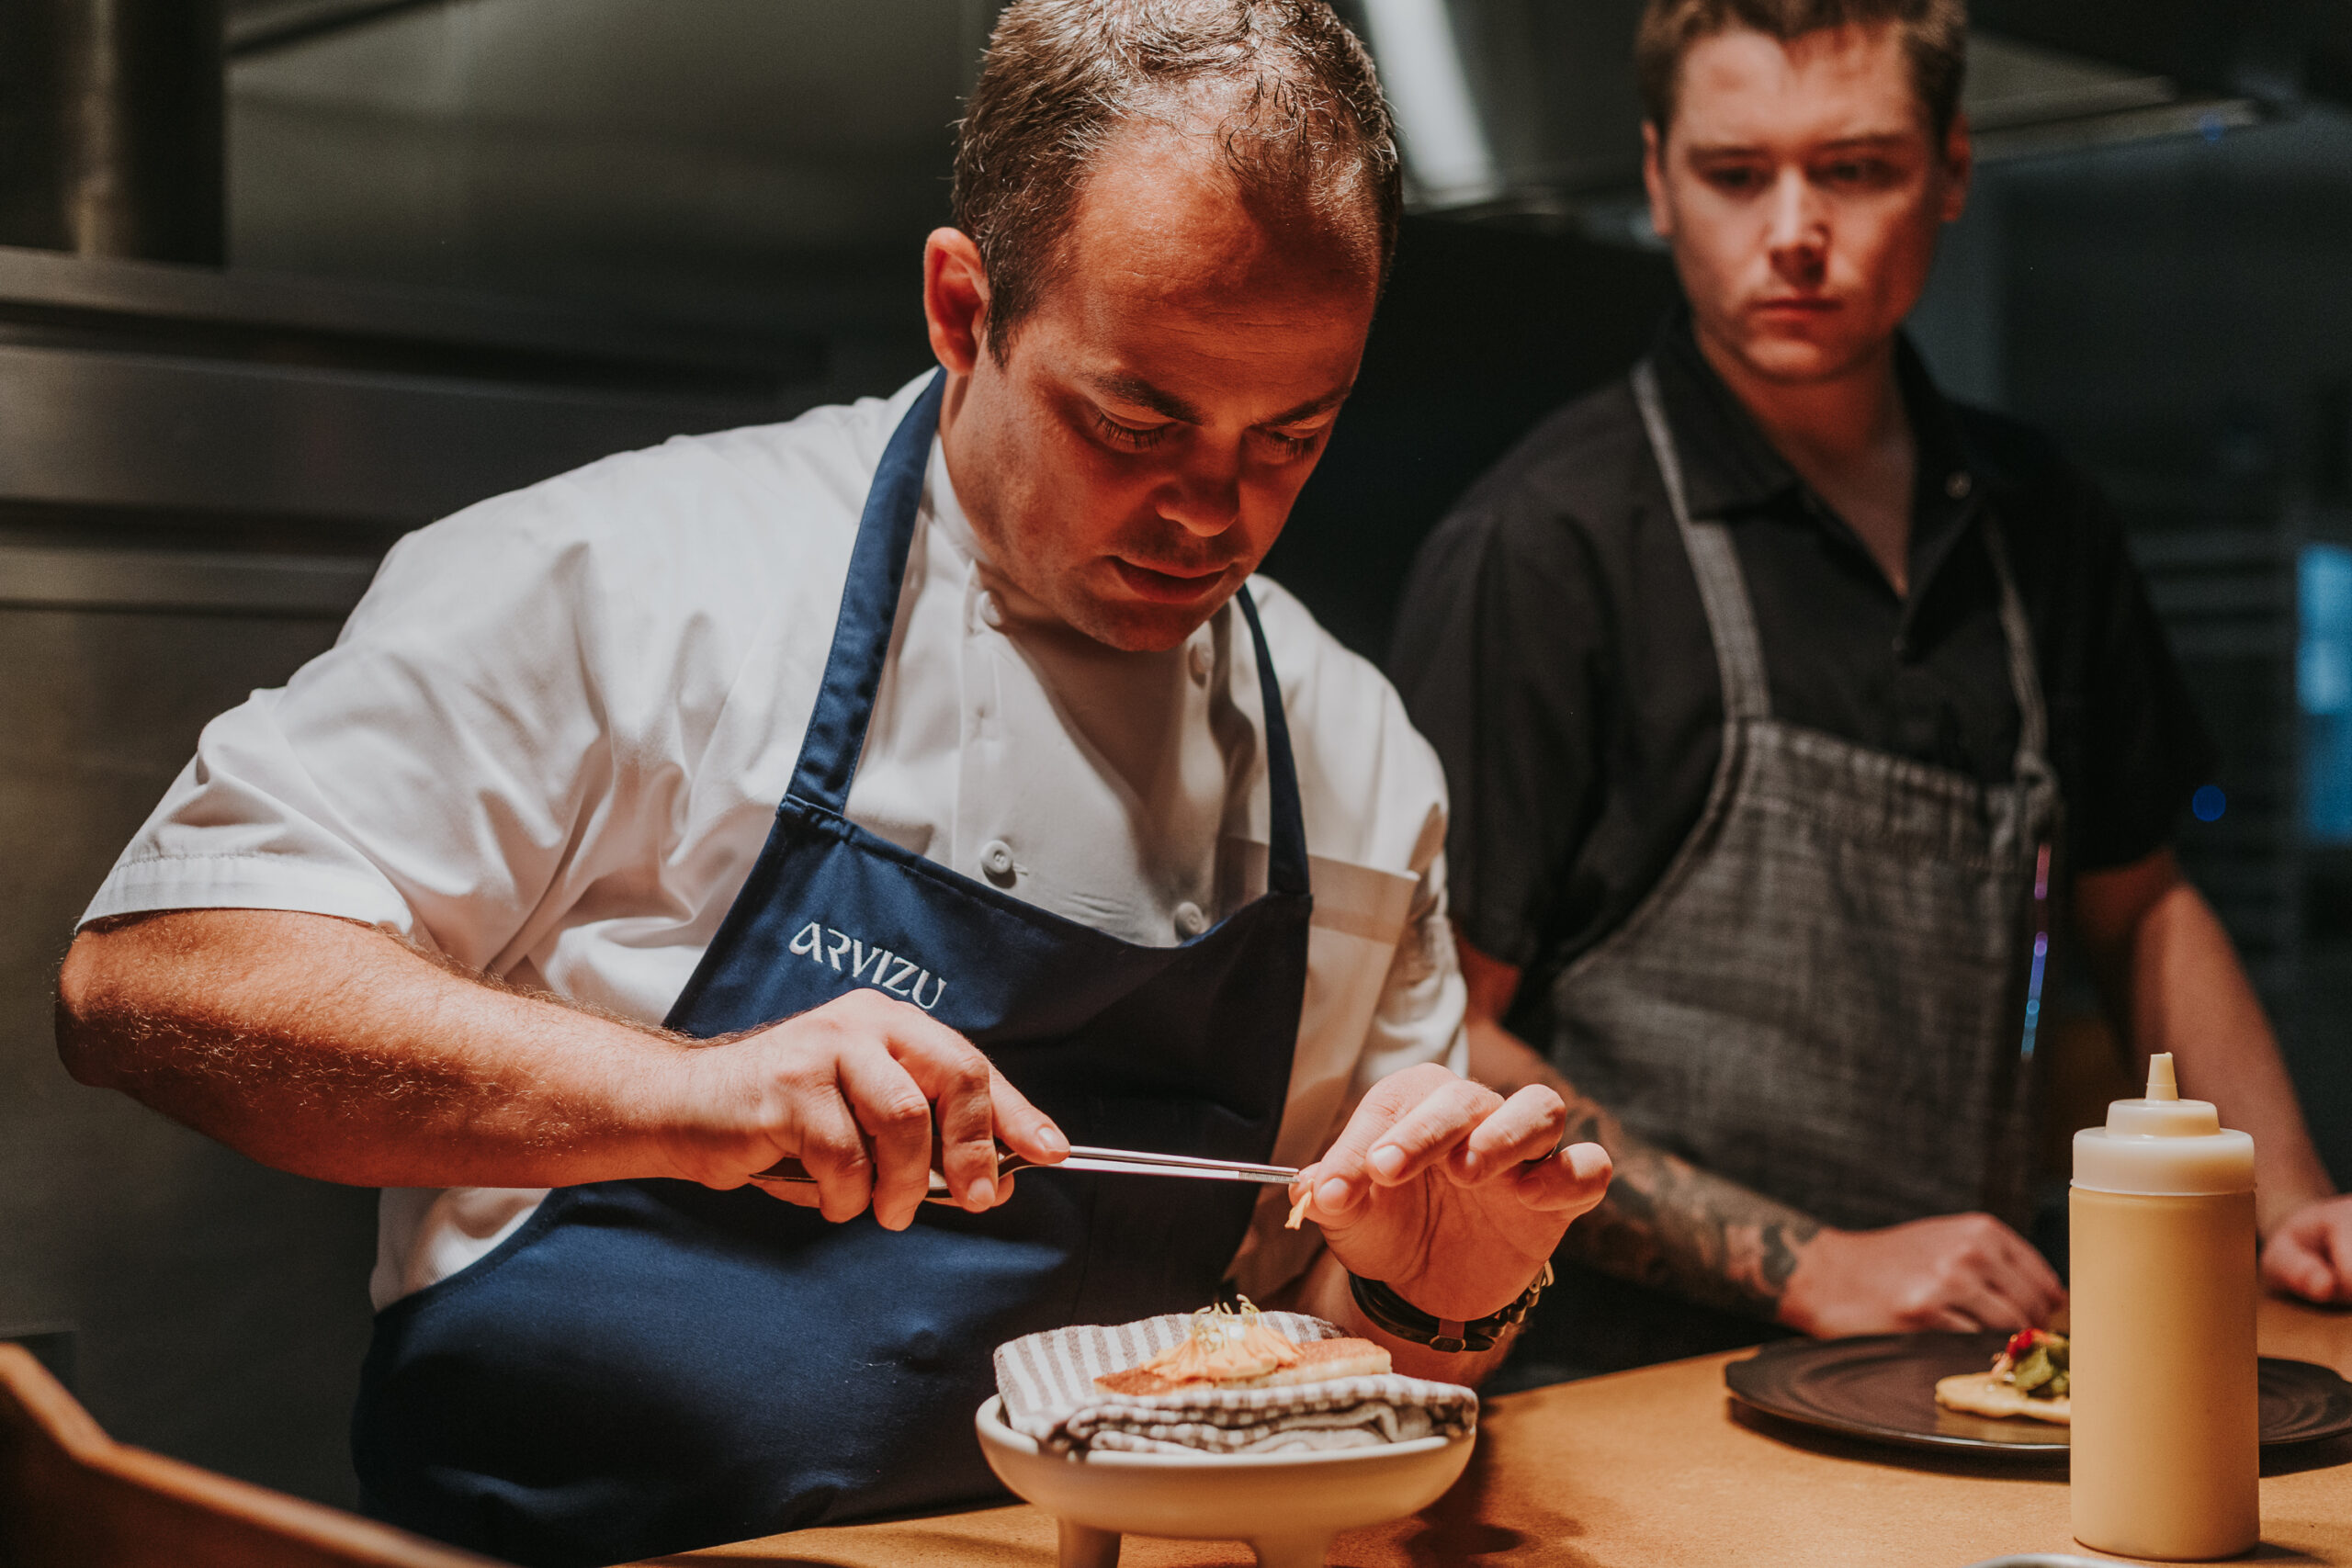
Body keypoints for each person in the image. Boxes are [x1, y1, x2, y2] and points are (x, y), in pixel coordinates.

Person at [52, 5, 1610, 1563]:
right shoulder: (631, 584)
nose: (1215, 509)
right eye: (1134, 419)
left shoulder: (1355, 758)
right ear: (961, 306)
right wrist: (692, 1092)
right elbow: (151, 982)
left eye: (1293, 433)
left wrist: (1442, 1285)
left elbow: (1342, 1377)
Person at [1388, 0, 2352, 1382]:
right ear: (1659, 180)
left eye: (1853, 169)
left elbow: (2140, 905)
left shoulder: (2041, 521)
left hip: (1974, 1369)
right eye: (1736, 174)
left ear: (1953, 167)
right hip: (1634, 1390)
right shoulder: (1547, 545)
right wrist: (1819, 1264)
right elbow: (1442, 1034)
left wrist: (2291, 1203)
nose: (1793, 229)